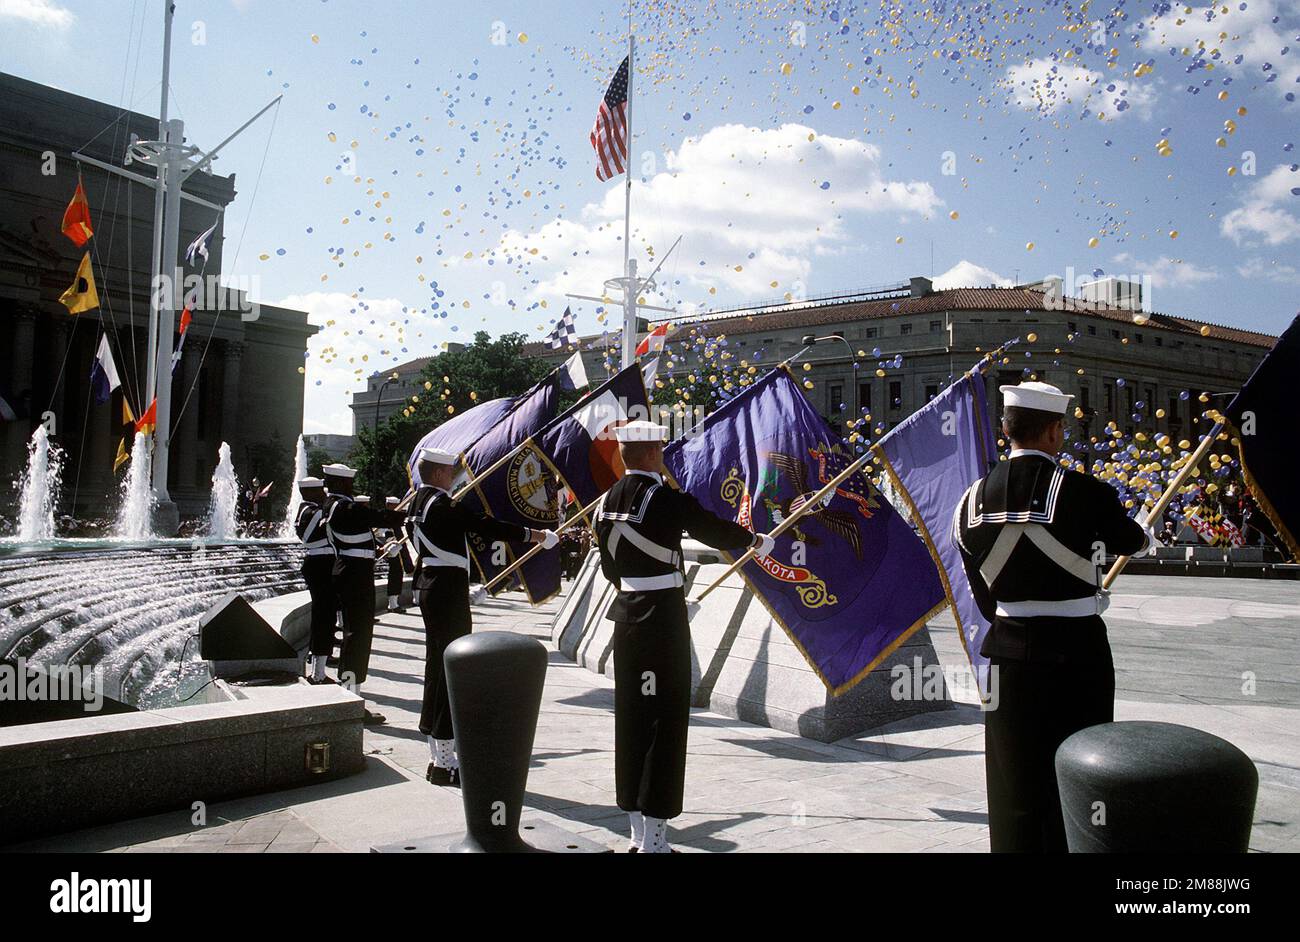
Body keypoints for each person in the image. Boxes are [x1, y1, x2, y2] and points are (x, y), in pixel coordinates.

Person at [952, 381, 1154, 853]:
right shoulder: (1086, 492)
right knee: (1081, 769)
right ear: (1054, 432)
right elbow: (1130, 540)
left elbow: (979, 591)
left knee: (1013, 782)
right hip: (1076, 651)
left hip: (1006, 652)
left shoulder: (969, 501)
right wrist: (1144, 530)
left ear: (1008, 430)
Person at [594, 420, 776, 854]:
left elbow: (610, 569)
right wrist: (753, 540)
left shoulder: (603, 503)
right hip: (662, 622)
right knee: (664, 722)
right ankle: (655, 842)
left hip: (628, 618)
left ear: (623, 454)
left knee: (633, 720)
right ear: (653, 452)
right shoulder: (662, 497)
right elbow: (710, 528)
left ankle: (638, 832)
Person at [406, 446, 559, 786]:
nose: (452, 478)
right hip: (445, 589)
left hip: (432, 583)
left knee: (436, 666)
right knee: (451, 670)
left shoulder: (416, 504)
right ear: (437, 474)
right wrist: (536, 536)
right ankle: (446, 762)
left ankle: (436, 753)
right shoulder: (442, 505)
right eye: (449, 473)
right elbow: (487, 527)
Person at [321, 464, 390, 725]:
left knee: (356, 631)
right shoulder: (344, 507)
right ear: (342, 484)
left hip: (349, 570)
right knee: (358, 634)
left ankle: (349, 695)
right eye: (350, 483)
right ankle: (350, 699)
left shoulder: (333, 506)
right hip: (355, 574)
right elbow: (378, 517)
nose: (353, 487)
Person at [293, 476, 336, 683]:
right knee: (324, 617)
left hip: (317, 563)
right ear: (310, 493)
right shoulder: (315, 512)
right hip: (322, 565)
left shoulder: (305, 511)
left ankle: (317, 663)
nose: (325, 494)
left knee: (324, 615)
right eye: (320, 491)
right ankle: (318, 674)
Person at [379, 495, 409, 611]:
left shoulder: (395, 517)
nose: (397, 507)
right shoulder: (386, 517)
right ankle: (392, 604)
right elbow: (383, 534)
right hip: (392, 550)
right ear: (389, 505)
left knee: (398, 574)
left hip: (399, 549)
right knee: (395, 574)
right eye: (395, 505)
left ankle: (394, 602)